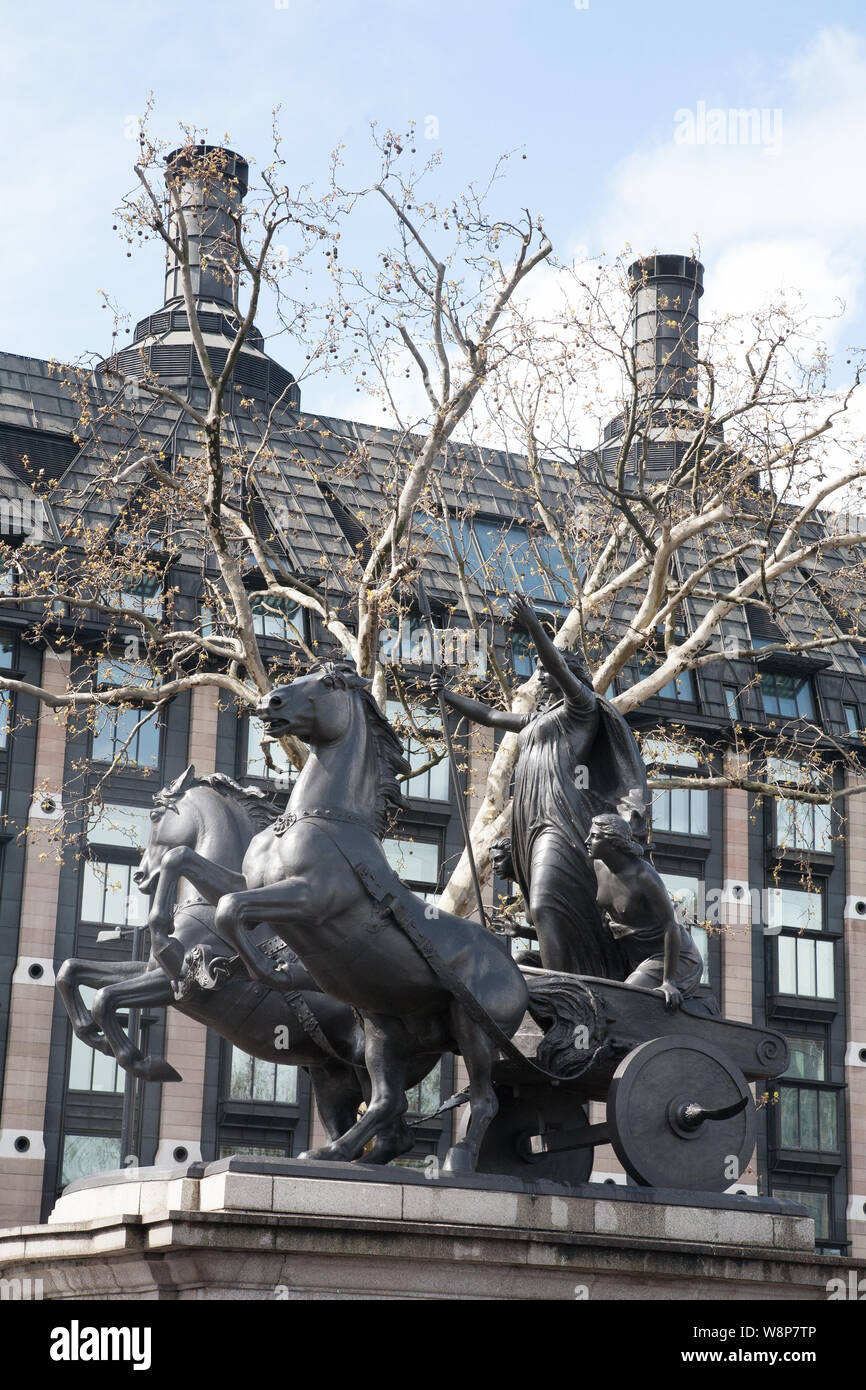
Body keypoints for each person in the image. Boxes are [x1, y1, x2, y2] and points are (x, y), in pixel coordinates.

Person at [430, 594, 648, 977]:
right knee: (542, 903)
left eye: (547, 672)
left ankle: (565, 989)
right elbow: (491, 714)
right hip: (529, 822)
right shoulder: (533, 721)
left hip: (561, 820)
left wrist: (534, 627)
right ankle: (566, 976)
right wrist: (447, 695)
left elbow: (556, 666)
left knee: (546, 902)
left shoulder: (581, 709)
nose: (541, 676)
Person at [586, 813, 705, 1008]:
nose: (587, 841)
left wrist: (668, 982)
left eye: (595, 836)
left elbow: (671, 926)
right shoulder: (598, 865)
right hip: (632, 954)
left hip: (673, 959)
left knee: (623, 998)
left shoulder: (644, 876)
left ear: (614, 843)